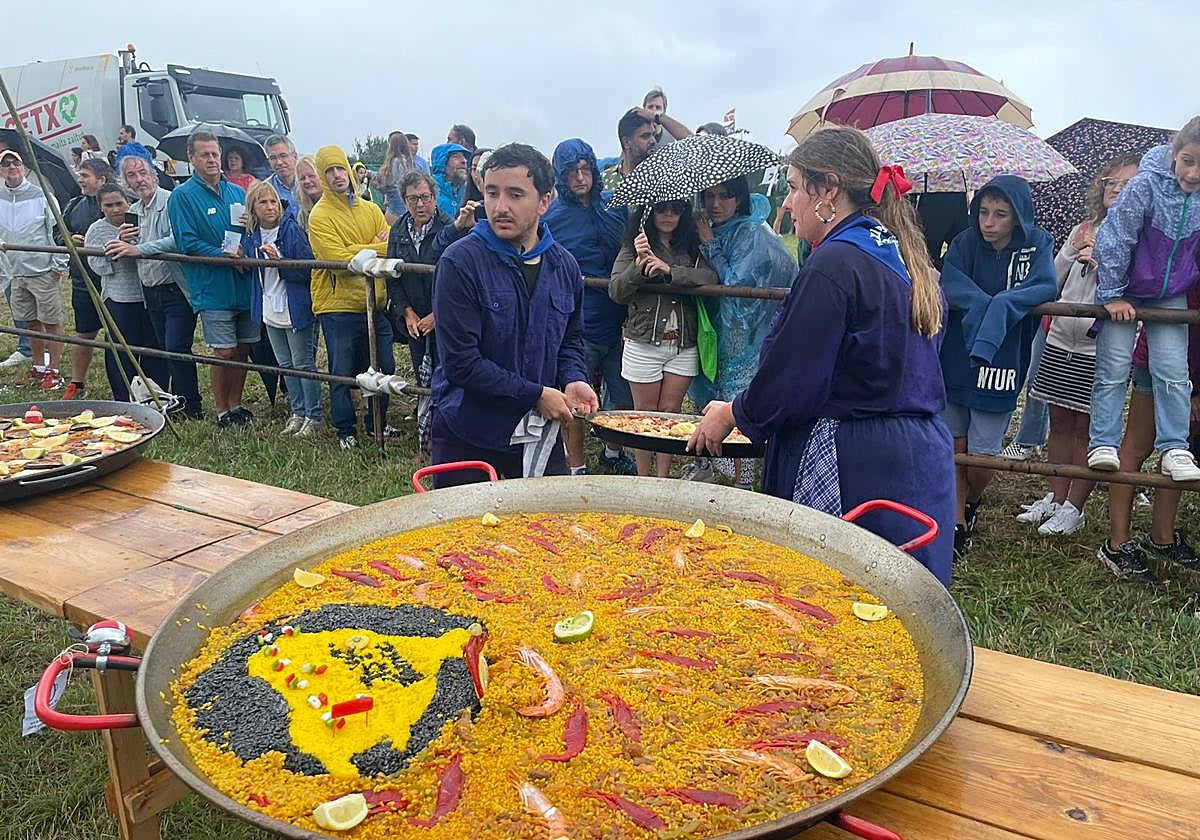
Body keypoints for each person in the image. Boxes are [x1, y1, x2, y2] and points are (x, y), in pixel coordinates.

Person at [687, 126, 955, 584]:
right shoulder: (902, 256)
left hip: (855, 462)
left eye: (793, 187)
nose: (787, 204)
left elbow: (794, 376)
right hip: (919, 456)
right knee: (898, 600)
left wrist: (733, 412)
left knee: (833, 593)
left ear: (827, 190)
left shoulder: (835, 263)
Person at [431, 143, 598, 486]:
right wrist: (536, 394)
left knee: (547, 530)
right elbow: (461, 363)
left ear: (544, 201)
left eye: (516, 194)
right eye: (492, 193)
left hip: (539, 430)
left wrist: (573, 377)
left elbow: (570, 339)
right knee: (467, 536)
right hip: (470, 430)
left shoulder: (564, 266)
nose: (500, 207)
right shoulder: (460, 263)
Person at [1017, 154, 1141, 533]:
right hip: (1060, 337)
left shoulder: (1139, 237)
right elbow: (1049, 280)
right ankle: (1054, 496)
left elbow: (1137, 292)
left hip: (1097, 345)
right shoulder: (1082, 228)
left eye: (1126, 185)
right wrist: (1073, 251)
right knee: (1059, 421)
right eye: (1110, 183)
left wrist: (1105, 265)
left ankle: (1075, 505)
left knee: (1087, 427)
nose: (1116, 190)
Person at [939, 176, 1058, 555]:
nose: (988, 222)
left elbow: (1044, 285)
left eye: (1000, 214)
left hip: (1003, 361)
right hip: (956, 354)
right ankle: (955, 521)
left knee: (984, 452)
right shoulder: (964, 242)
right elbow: (950, 281)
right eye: (984, 212)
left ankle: (972, 500)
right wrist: (985, 304)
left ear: (1018, 216)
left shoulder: (1038, 244)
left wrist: (1001, 305)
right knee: (954, 442)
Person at [1088, 119, 1200, 482]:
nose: (1194, 174)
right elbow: (1116, 236)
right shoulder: (1146, 185)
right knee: (1114, 367)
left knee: (1173, 371)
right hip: (1129, 286)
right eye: (1188, 161)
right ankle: (1102, 442)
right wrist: (1112, 294)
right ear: (1175, 152)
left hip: (1171, 293)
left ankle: (1174, 447)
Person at [689, 175, 798, 489]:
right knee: (711, 398)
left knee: (736, 403)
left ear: (739, 198)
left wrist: (709, 242)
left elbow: (737, 283)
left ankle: (744, 479)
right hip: (720, 331)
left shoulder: (750, 231)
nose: (716, 204)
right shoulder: (721, 228)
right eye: (709, 196)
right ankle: (708, 463)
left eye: (724, 196)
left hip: (747, 335)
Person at [544, 138, 634, 475]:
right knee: (577, 402)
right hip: (578, 324)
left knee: (622, 394)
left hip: (620, 320)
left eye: (585, 169)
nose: (581, 177)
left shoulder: (614, 206)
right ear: (561, 176)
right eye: (572, 171)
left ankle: (612, 451)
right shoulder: (553, 219)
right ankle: (577, 466)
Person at [610, 200, 717, 476]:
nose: (669, 215)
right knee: (645, 414)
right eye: (661, 209)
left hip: (683, 342)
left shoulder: (690, 248)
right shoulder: (634, 246)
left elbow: (710, 276)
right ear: (649, 213)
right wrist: (638, 266)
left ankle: (663, 478)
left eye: (676, 209)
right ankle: (644, 478)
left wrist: (670, 271)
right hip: (644, 340)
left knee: (670, 413)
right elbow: (616, 290)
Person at [1098, 302, 1200, 580]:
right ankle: (1117, 543)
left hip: (1187, 365)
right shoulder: (1187, 263)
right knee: (1137, 445)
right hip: (1162, 359)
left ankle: (1162, 535)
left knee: (1181, 449)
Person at [306, 145, 395, 450]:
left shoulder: (371, 208)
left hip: (375, 304)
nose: (337, 175)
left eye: (340, 168)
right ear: (322, 176)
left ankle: (377, 423)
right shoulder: (319, 217)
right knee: (342, 373)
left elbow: (391, 245)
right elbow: (339, 262)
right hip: (339, 306)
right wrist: (372, 246)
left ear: (348, 169)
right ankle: (346, 430)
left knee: (385, 366)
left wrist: (359, 249)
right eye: (329, 171)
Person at [167, 129, 255, 427]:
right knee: (224, 350)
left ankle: (237, 404)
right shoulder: (182, 196)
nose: (212, 160)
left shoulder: (237, 192)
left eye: (215, 154)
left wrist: (247, 252)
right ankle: (221, 410)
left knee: (243, 348)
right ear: (191, 158)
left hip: (242, 282)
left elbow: (248, 230)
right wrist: (226, 257)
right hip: (211, 284)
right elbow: (186, 242)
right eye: (204, 155)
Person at [109, 151, 203, 419]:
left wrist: (139, 250)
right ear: (125, 181)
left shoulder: (172, 200)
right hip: (149, 289)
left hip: (174, 286)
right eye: (131, 175)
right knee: (164, 348)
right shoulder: (133, 211)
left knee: (177, 347)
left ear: (154, 173)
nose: (139, 180)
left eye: (142, 173)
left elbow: (178, 239)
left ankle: (191, 405)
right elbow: (130, 248)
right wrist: (123, 240)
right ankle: (175, 400)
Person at [386, 170, 459, 455]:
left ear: (435, 196)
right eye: (413, 198)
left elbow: (457, 279)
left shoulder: (449, 227)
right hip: (414, 318)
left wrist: (438, 315)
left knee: (449, 374)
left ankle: (448, 436)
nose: (420, 204)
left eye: (425, 197)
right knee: (421, 374)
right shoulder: (399, 231)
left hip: (446, 318)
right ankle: (427, 436)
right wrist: (406, 312)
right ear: (404, 201)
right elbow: (393, 277)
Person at [241, 181, 322, 438]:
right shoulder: (251, 234)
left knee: (303, 363)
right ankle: (297, 412)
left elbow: (308, 269)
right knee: (285, 364)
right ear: (253, 207)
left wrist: (281, 262)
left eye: (273, 201)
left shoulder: (291, 231)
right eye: (263, 202)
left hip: (293, 305)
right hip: (268, 304)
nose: (270, 207)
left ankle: (314, 415)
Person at [84, 183, 168, 402]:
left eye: (119, 203)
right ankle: (123, 397)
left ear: (128, 202)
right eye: (109, 205)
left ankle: (156, 394)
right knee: (122, 350)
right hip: (119, 297)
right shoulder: (97, 229)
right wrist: (118, 246)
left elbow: (156, 247)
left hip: (149, 292)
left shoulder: (142, 222)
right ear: (101, 207)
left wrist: (138, 245)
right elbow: (95, 266)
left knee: (154, 348)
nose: (115, 209)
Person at [0, 148, 68, 388]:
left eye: (15, 163)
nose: (11, 168)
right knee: (30, 322)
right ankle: (39, 367)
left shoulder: (42, 195)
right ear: (1, 170)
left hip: (43, 271)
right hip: (16, 274)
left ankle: (55, 370)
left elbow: (60, 232)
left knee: (52, 322)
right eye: (6, 164)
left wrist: (58, 267)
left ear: (23, 167)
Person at [57, 157, 116, 399]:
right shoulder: (73, 205)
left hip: (113, 281)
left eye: (85, 175)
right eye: (80, 175)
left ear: (101, 180)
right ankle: (77, 383)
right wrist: (68, 239)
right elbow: (58, 232)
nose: (80, 179)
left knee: (118, 334)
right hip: (83, 280)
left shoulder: (117, 202)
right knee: (85, 333)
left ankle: (122, 385)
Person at [602, 110, 658, 191]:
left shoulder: (659, 176)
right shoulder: (605, 179)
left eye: (653, 135)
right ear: (626, 142)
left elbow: (683, 142)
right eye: (645, 136)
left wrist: (659, 117)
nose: (653, 141)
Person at [377, 131, 415, 223]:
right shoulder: (408, 164)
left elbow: (384, 186)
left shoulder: (392, 164)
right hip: (407, 207)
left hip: (393, 209)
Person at [431, 143, 471, 218]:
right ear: (442, 162)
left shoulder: (468, 192)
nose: (464, 161)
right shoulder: (429, 194)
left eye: (464, 157)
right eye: (456, 157)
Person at [264, 135, 299, 210]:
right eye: (273, 158)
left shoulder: (309, 183)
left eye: (283, 156)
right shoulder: (264, 189)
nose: (279, 162)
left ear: (295, 157)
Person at [293, 155, 323, 230]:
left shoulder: (336, 204)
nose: (307, 181)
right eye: (302, 178)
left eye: (311, 176)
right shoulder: (303, 213)